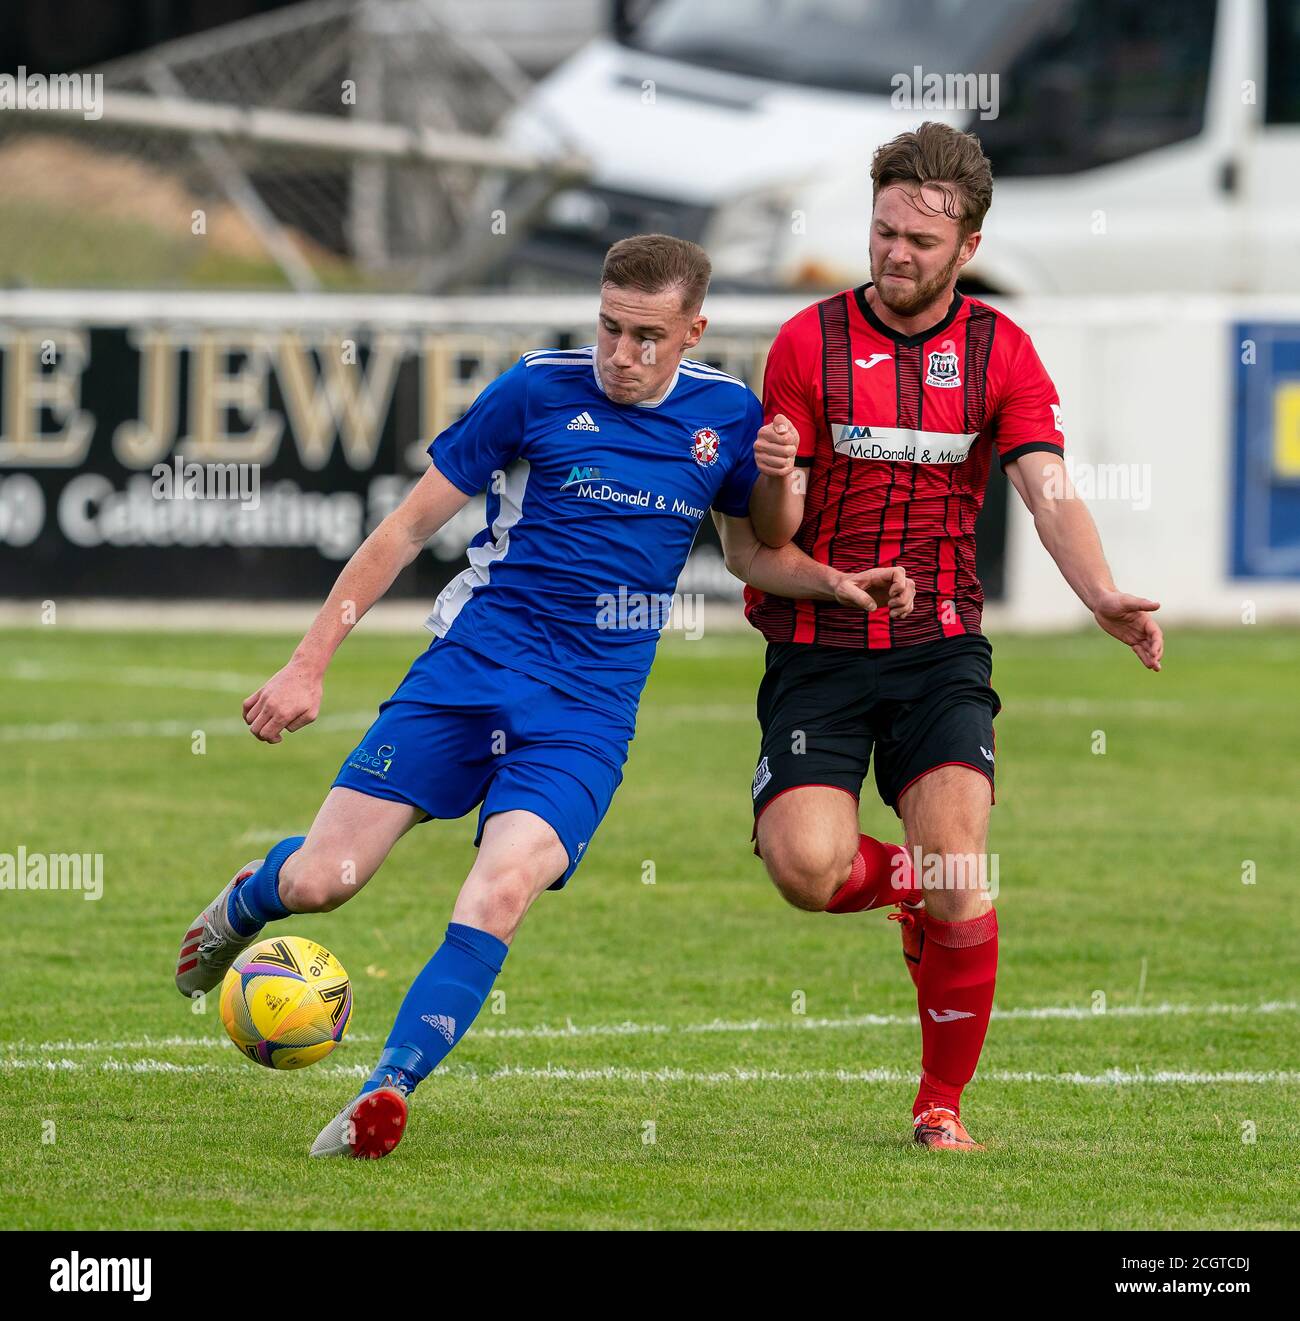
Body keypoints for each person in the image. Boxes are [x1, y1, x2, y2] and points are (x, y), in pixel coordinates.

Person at [173, 233, 915, 1159]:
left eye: (648, 336)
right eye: (609, 327)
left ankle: (383, 1093)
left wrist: (817, 553)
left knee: (502, 887)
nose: (621, 354)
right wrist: (309, 661)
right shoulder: (534, 389)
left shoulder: (727, 414)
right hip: (468, 673)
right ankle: (251, 899)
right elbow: (404, 530)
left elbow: (754, 549)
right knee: (325, 881)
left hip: (587, 714)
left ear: (695, 330)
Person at [718, 123, 1163, 1151]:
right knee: (804, 870)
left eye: (921, 239)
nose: (895, 253)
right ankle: (902, 890)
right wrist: (778, 471)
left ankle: (939, 1105)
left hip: (940, 646)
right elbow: (767, 537)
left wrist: (1097, 592)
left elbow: (1047, 491)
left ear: (966, 247)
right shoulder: (805, 343)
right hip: (816, 643)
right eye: (882, 231)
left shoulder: (1000, 350)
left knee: (961, 866)